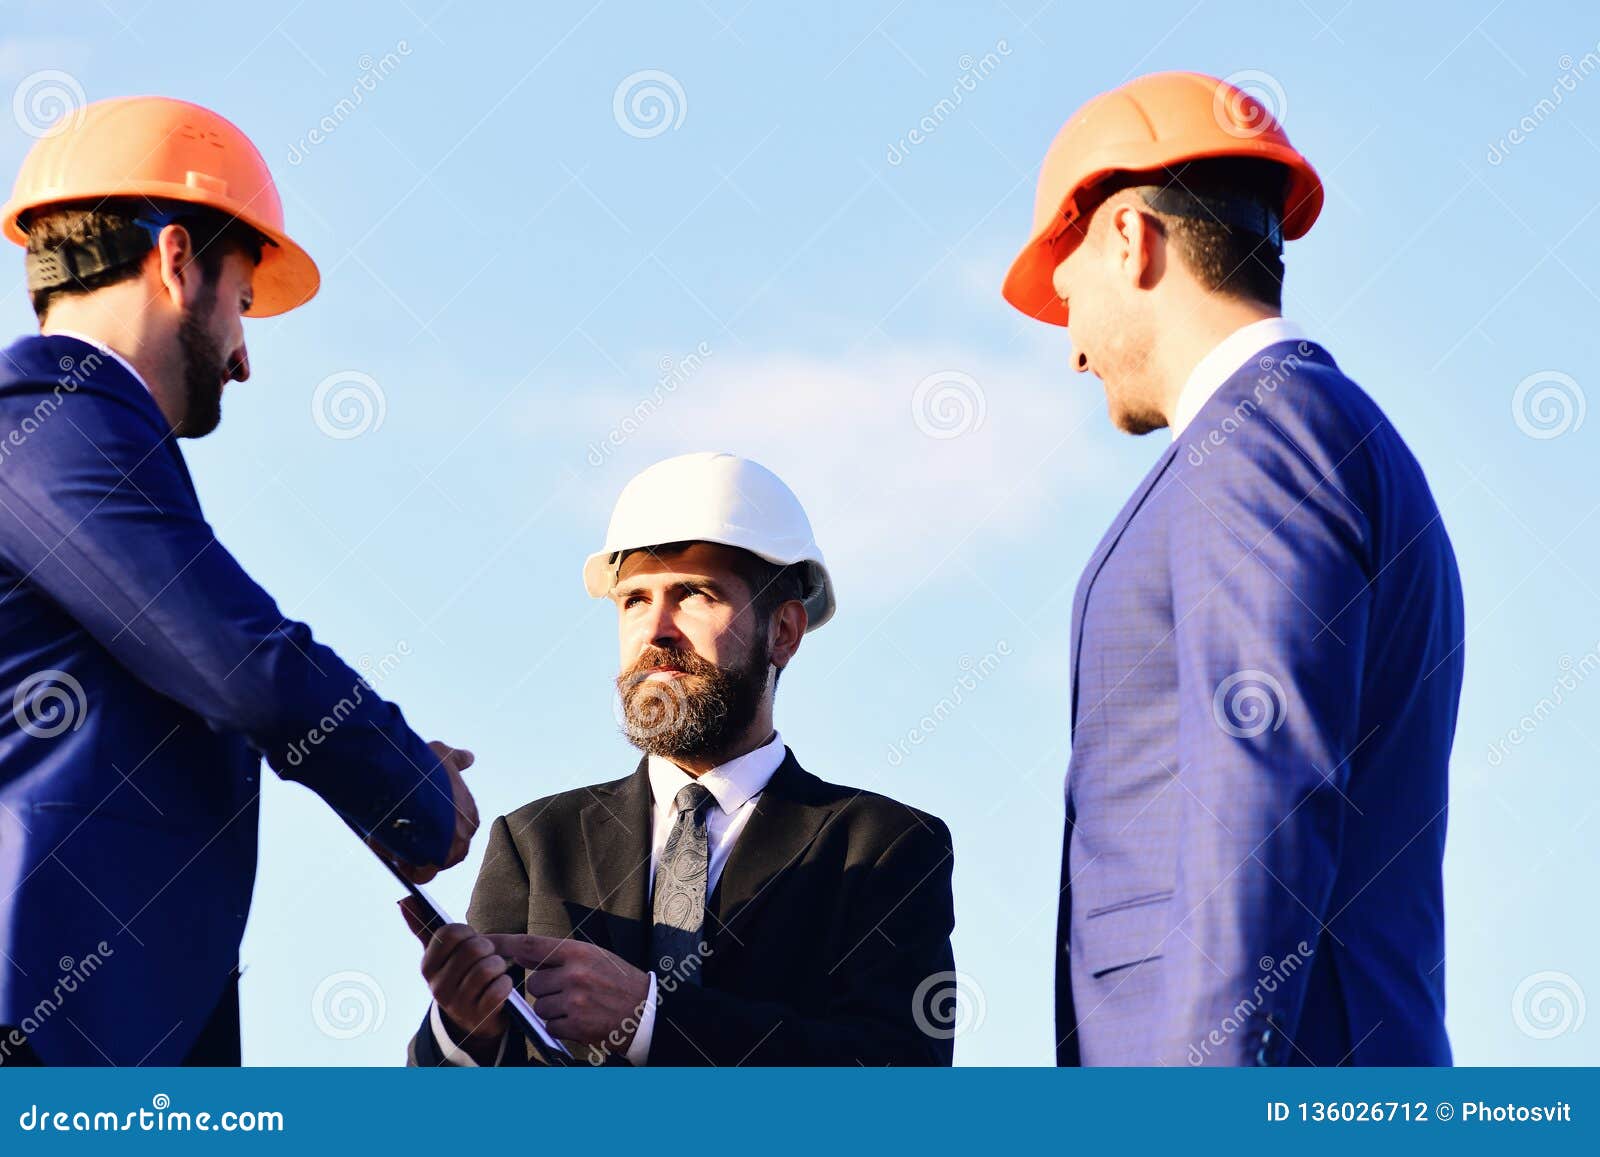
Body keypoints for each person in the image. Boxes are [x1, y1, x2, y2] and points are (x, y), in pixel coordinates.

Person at [0, 96, 478, 1067]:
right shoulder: (45, 421)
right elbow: (240, 657)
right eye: (243, 302)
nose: (245, 356)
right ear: (177, 259)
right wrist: (407, 786)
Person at [1002, 71, 1463, 1065]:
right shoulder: (1317, 430)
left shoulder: (1258, 436)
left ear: (1129, 239)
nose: (1074, 351)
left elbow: (1262, 777)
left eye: (1068, 291)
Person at [404, 452, 956, 1066]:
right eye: (634, 601)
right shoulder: (535, 842)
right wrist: (466, 1033)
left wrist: (650, 1019)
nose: (656, 629)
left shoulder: (884, 846)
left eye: (693, 594)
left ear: (785, 633)